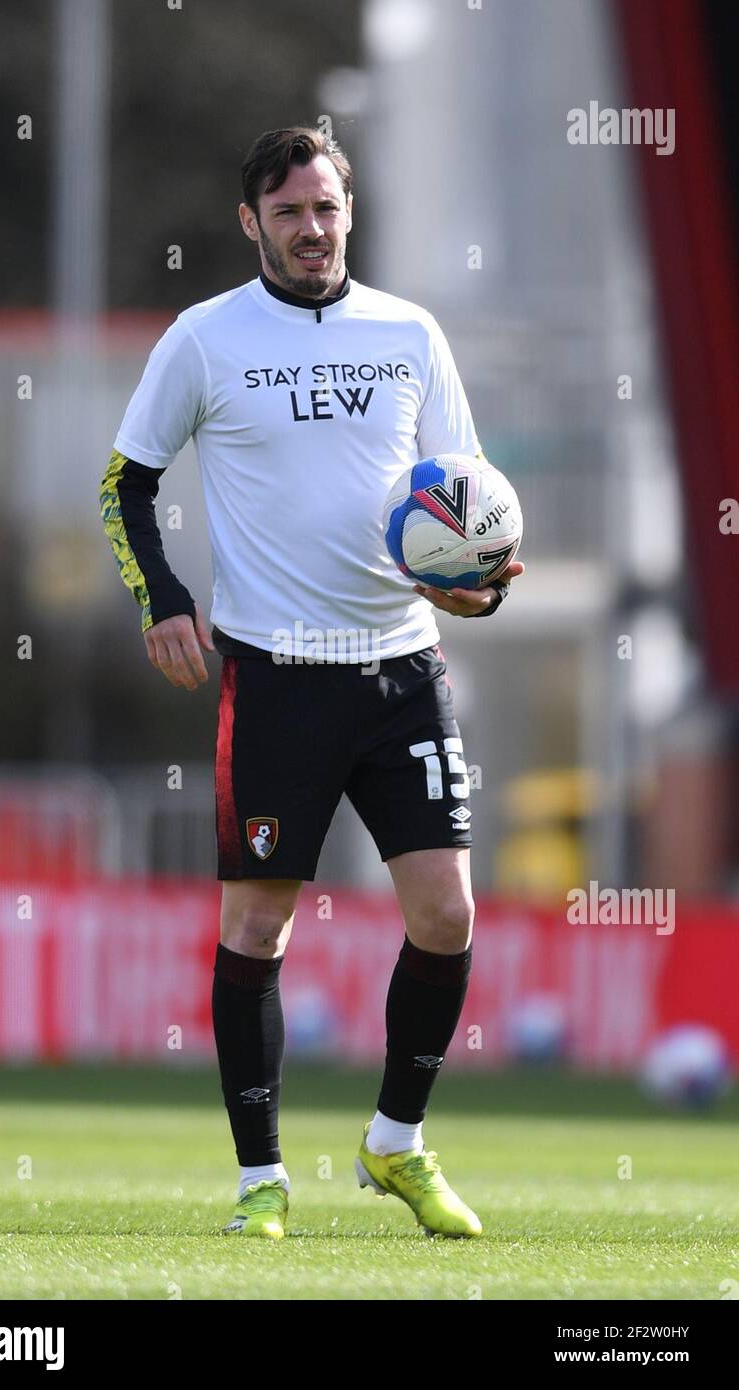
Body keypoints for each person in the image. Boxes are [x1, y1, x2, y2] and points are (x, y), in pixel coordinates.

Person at [99, 125, 524, 1240]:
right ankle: (260, 1181)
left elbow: (466, 506)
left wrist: (481, 590)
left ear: (349, 209)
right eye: (287, 213)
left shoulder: (409, 331)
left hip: (401, 672)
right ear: (251, 224)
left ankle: (395, 1145)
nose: (311, 228)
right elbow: (125, 485)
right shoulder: (203, 338)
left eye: (326, 207)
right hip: (276, 680)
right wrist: (164, 598)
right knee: (256, 928)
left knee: (446, 913)